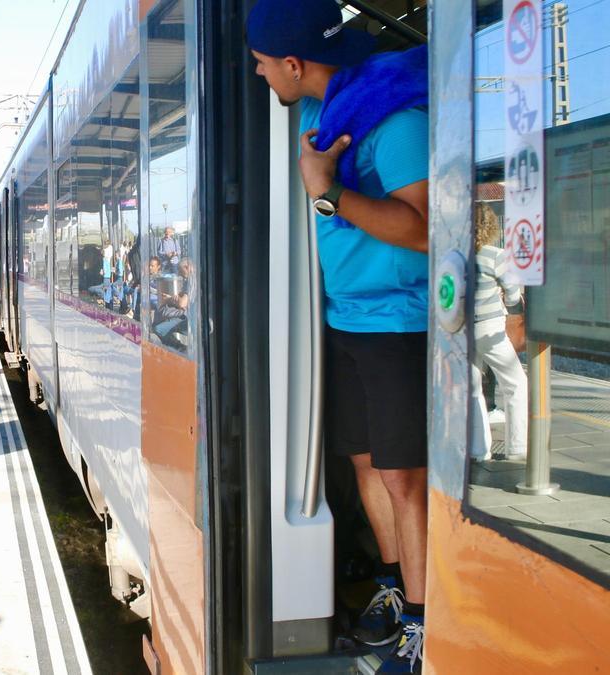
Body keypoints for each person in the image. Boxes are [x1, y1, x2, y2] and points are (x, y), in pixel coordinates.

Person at [249, 2, 430, 672]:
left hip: (398, 325)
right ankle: (393, 587)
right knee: (363, 463)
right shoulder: (322, 109)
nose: (263, 77)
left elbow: (425, 228)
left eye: (265, 66)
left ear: (295, 65)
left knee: (404, 477)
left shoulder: (393, 119)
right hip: (347, 319)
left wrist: (327, 195)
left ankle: (423, 625)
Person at [472, 203, 526, 461]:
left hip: (460, 329)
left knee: (472, 388)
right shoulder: (495, 255)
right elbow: (513, 293)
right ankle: (517, 447)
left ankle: (478, 450)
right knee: (515, 383)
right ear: (491, 226)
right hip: (490, 327)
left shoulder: (455, 255)